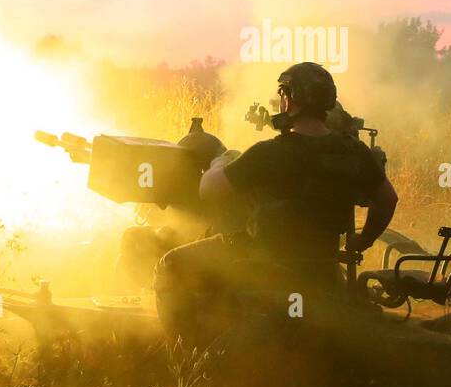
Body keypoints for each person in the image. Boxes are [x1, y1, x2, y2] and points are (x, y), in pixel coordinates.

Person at [153, 61, 398, 342]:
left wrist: (218, 164)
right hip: (321, 265)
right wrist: (363, 240)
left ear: (289, 99)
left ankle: (186, 355)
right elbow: (387, 199)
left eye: (283, 94)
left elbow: (209, 191)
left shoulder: (269, 153)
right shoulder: (354, 151)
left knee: (170, 265)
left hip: (264, 263)